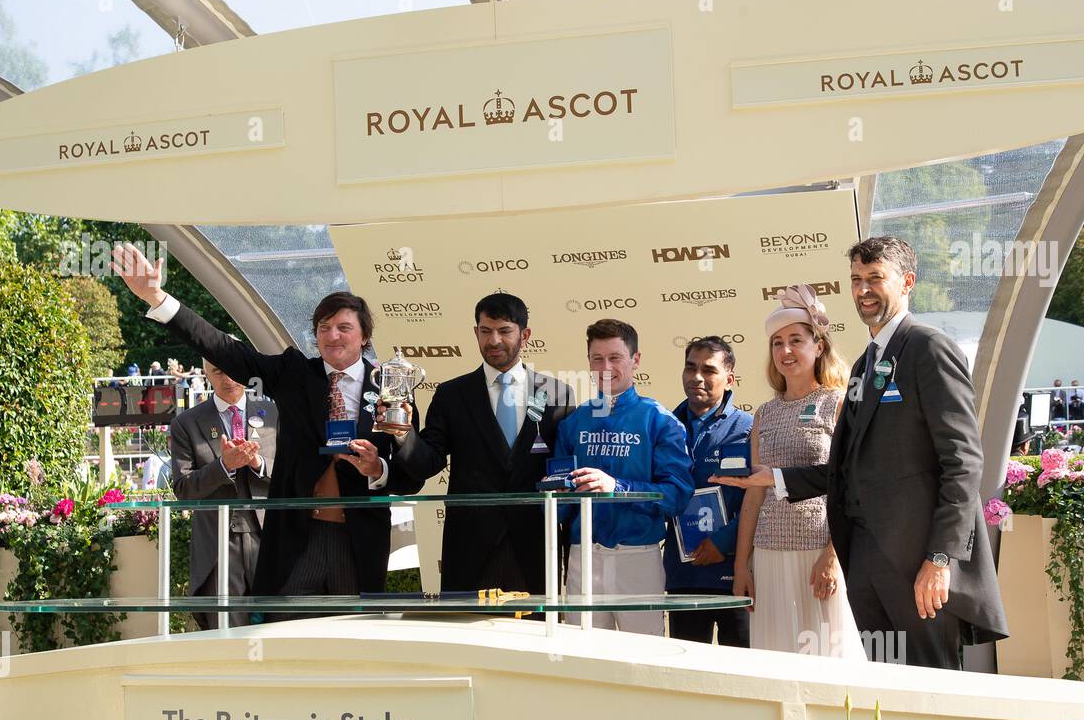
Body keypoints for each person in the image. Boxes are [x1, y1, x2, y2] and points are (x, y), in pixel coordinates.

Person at [718, 236, 1008, 669]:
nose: (863, 289)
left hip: (918, 568)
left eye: (876, 278)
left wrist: (940, 558)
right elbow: (849, 466)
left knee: (930, 688)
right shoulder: (865, 364)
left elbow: (963, 462)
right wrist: (777, 479)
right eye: (856, 279)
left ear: (907, 282)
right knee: (884, 692)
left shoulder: (928, 347)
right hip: (869, 565)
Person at [111, 243, 424, 610]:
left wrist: (378, 469)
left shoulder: (389, 385)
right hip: (297, 541)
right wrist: (158, 297)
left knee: (354, 652)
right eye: (324, 328)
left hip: (358, 543)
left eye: (344, 327)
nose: (333, 336)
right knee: (285, 649)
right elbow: (226, 350)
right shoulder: (294, 373)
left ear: (364, 336)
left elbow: (412, 473)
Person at [713, 286, 863, 659]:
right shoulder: (764, 413)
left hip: (818, 555)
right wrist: (741, 566)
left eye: (796, 340)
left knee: (830, 658)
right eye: (777, 343)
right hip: (767, 555)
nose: (785, 351)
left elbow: (849, 484)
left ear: (819, 346)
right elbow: (754, 492)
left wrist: (832, 555)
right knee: (776, 660)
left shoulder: (838, 402)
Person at [389, 292, 575, 593]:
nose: (494, 341)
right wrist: (401, 432)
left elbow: (565, 468)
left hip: (535, 546)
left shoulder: (558, 393)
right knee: (468, 635)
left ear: (525, 335)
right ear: (475, 332)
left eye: (504, 331)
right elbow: (427, 462)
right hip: (469, 549)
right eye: (485, 331)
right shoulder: (451, 395)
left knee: (534, 638)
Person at [553, 319, 693, 636]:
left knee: (643, 659)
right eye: (597, 358)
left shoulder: (659, 419)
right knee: (583, 658)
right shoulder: (573, 422)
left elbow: (677, 496)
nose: (605, 367)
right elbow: (559, 504)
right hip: (583, 557)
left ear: (635, 360)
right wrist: (556, 493)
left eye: (615, 357)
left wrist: (617, 487)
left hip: (638, 557)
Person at [169, 356, 277, 629]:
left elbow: (293, 475)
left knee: (278, 625)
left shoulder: (275, 414)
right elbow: (183, 489)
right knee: (227, 629)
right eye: (218, 371)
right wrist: (223, 466)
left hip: (269, 536)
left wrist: (259, 464)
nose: (228, 379)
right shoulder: (187, 423)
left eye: (234, 370)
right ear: (206, 374)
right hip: (219, 542)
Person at [661, 337, 753, 648]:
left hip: (735, 575)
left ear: (729, 379)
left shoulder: (751, 429)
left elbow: (761, 501)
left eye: (708, 370)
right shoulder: (664, 427)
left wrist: (723, 542)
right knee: (685, 671)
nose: (697, 377)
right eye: (690, 367)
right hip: (683, 576)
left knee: (741, 673)